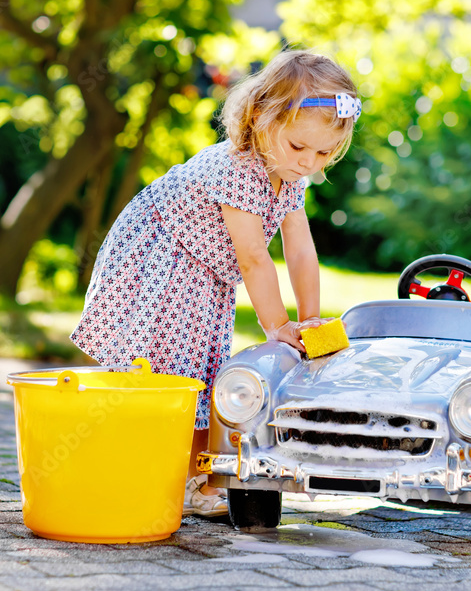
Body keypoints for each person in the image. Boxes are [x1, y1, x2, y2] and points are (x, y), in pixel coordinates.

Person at [70, 49, 360, 516]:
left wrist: (310, 321)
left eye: (324, 152)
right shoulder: (239, 168)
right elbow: (253, 258)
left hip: (204, 271)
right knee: (172, 372)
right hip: (162, 258)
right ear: (265, 122)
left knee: (206, 373)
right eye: (299, 148)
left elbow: (301, 251)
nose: (309, 162)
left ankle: (200, 476)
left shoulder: (289, 174)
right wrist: (278, 326)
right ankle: (184, 479)